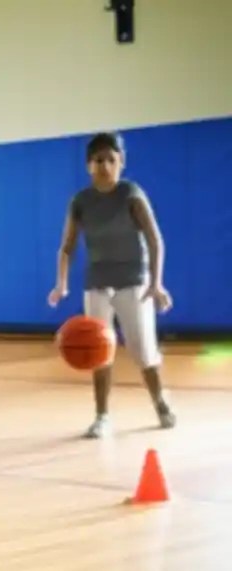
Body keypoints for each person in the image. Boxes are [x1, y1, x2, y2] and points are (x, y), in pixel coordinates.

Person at [48, 131, 176, 438]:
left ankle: (160, 403)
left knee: (143, 350)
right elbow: (67, 247)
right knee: (98, 350)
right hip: (97, 284)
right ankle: (102, 416)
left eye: (110, 159)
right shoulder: (80, 202)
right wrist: (61, 284)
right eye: (96, 160)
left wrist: (156, 284)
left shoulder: (131, 194)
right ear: (87, 165)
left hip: (134, 283)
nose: (104, 165)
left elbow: (155, 239)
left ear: (121, 162)